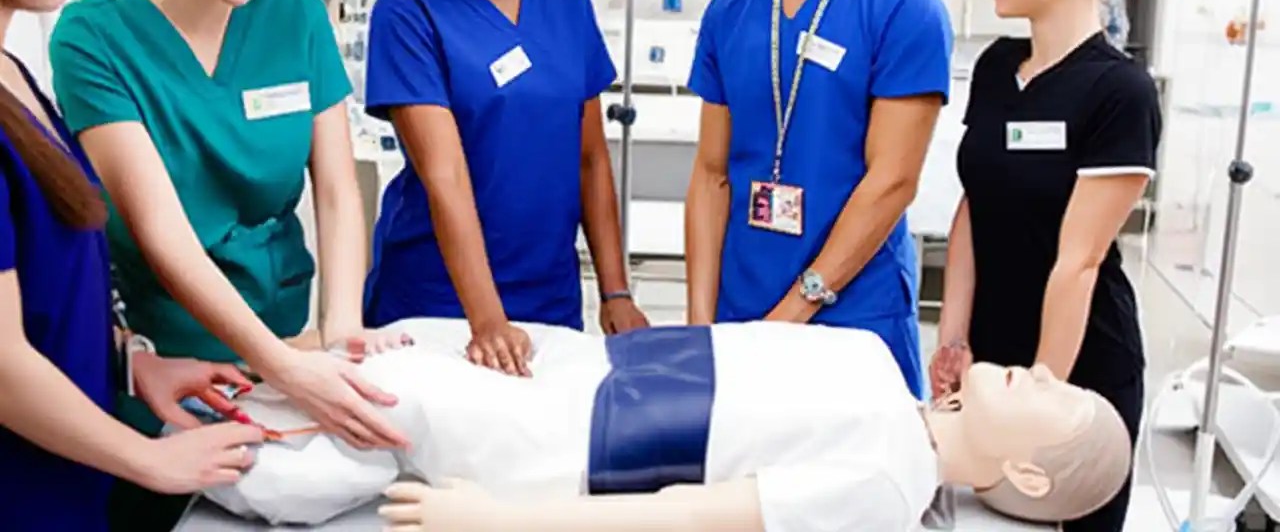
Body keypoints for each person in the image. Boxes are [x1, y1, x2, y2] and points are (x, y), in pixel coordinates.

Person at [185, 317, 1132, 531]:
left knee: (388, 412)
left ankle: (195, 450)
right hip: (579, 376)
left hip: (569, 448)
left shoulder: (888, 484)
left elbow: (692, 515)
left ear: (1033, 478)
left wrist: (505, 524)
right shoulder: (882, 370)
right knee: (385, 366)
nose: (1051, 368)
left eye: (1063, 395)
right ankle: (193, 394)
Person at [0, 0, 272, 529]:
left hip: (74, 469)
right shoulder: (87, 42)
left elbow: (53, 286)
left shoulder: (15, 79)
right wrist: (148, 458)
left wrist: (134, 362)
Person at [929, 0, 1161, 531]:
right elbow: (979, 201)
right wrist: (953, 335)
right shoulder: (1000, 69)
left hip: (1075, 374)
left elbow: (1079, 263)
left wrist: (1041, 403)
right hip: (996, 364)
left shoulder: (1119, 94)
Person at [362, 0, 649, 376]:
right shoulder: (411, 9)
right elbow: (445, 177)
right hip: (440, 302)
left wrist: (615, 292)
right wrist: (486, 319)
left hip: (550, 298)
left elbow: (590, 158)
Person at [684, 0, 952, 398]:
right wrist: (701, 329)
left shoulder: (903, 8)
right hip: (742, 312)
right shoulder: (731, 10)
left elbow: (892, 181)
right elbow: (710, 175)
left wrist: (790, 316)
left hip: (853, 317)